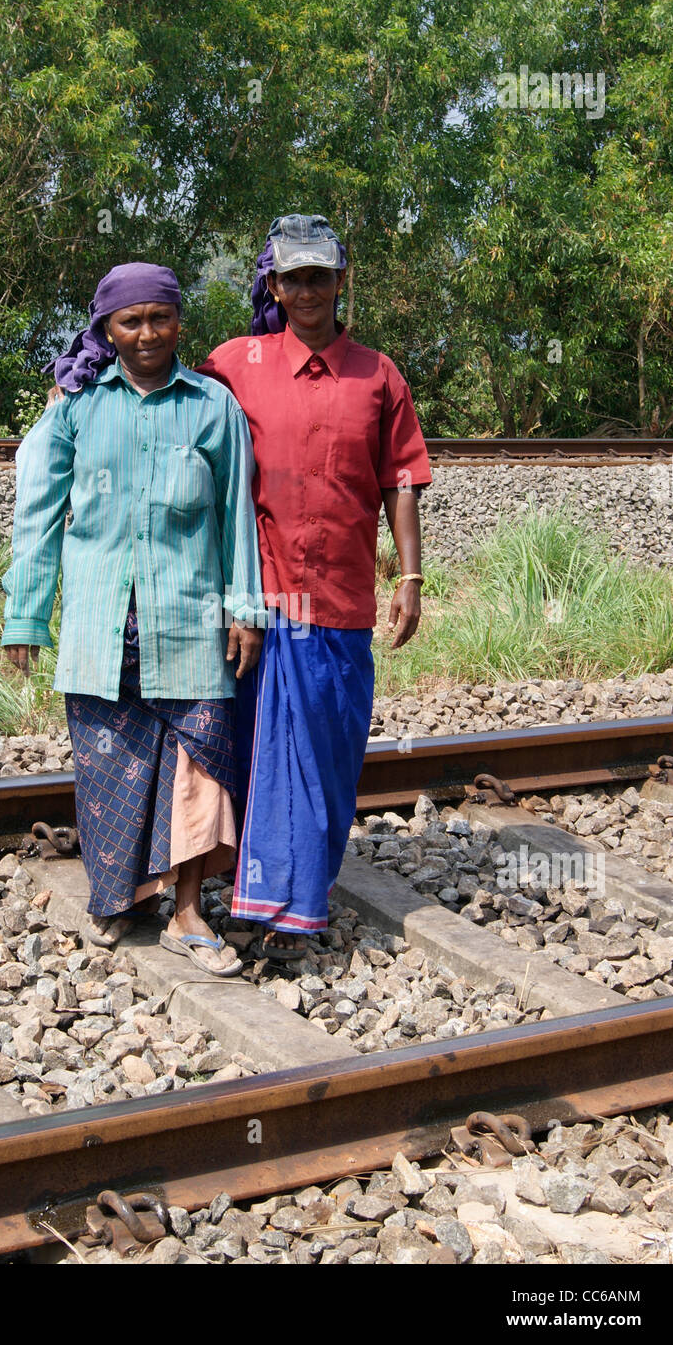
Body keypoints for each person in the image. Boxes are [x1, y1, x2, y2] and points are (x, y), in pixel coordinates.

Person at [2, 262, 265, 975]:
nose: (147, 334)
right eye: (131, 321)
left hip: (188, 622)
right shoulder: (76, 410)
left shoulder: (213, 408)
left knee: (200, 766)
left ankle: (185, 911)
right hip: (99, 625)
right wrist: (24, 615)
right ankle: (118, 899)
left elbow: (236, 516)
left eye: (160, 318)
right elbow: (39, 518)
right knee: (109, 771)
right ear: (107, 329)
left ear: (180, 322)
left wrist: (245, 607)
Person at [195, 214, 432, 961]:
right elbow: (177, 424)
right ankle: (281, 907)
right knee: (268, 749)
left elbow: (401, 480)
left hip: (342, 601)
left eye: (319, 277)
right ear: (273, 283)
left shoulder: (378, 374)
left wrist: (412, 575)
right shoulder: (235, 363)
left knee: (330, 753)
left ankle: (301, 884)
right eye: (293, 278)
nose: (307, 290)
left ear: (340, 282)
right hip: (262, 601)